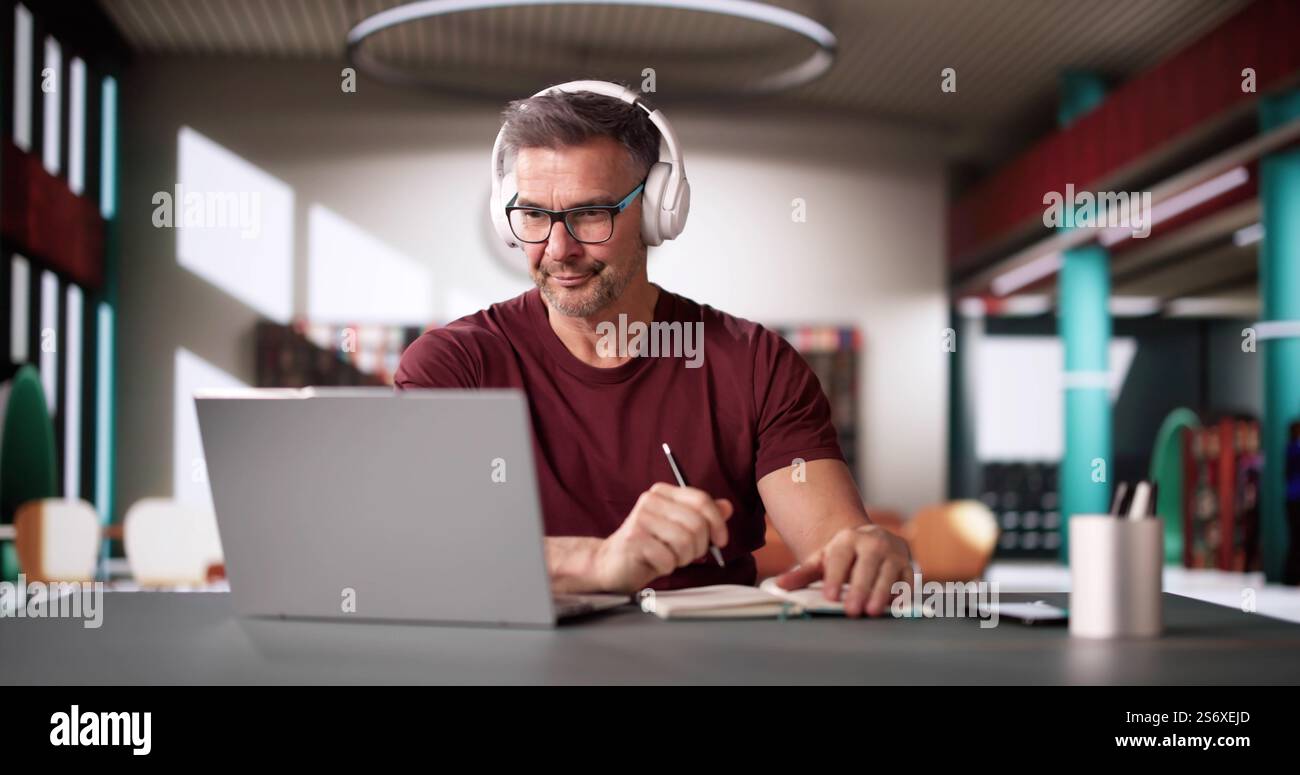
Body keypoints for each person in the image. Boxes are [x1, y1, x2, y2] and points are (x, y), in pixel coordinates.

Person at [396, 81, 911, 617]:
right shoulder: (452, 366)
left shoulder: (756, 365)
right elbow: (419, 550)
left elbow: (835, 545)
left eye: (590, 214)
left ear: (656, 210)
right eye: (533, 216)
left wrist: (865, 552)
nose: (558, 249)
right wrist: (596, 563)